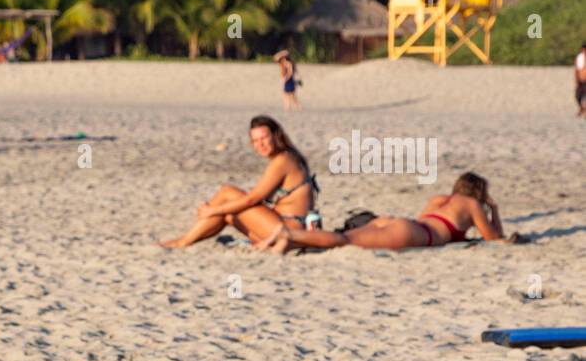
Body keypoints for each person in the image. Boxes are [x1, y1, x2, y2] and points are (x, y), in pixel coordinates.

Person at [159, 115, 317, 247]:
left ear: (276, 136)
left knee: (228, 192)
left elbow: (252, 199)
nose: (260, 144)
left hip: (287, 231)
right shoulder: (288, 156)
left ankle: (184, 241)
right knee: (229, 216)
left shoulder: (283, 160)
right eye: (255, 141)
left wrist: (212, 210)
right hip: (280, 228)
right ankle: (186, 240)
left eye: (264, 138)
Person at [259, 172, 515, 253]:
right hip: (416, 233)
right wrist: (493, 210)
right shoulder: (471, 205)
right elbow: (493, 238)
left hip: (398, 222)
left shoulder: (440, 198)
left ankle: (288, 241)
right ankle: (286, 233)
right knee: (344, 242)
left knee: (342, 238)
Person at [574, 42, 586, 118]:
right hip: (581, 80)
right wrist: (577, 79)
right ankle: (582, 108)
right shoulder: (579, 57)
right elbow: (576, 69)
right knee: (578, 96)